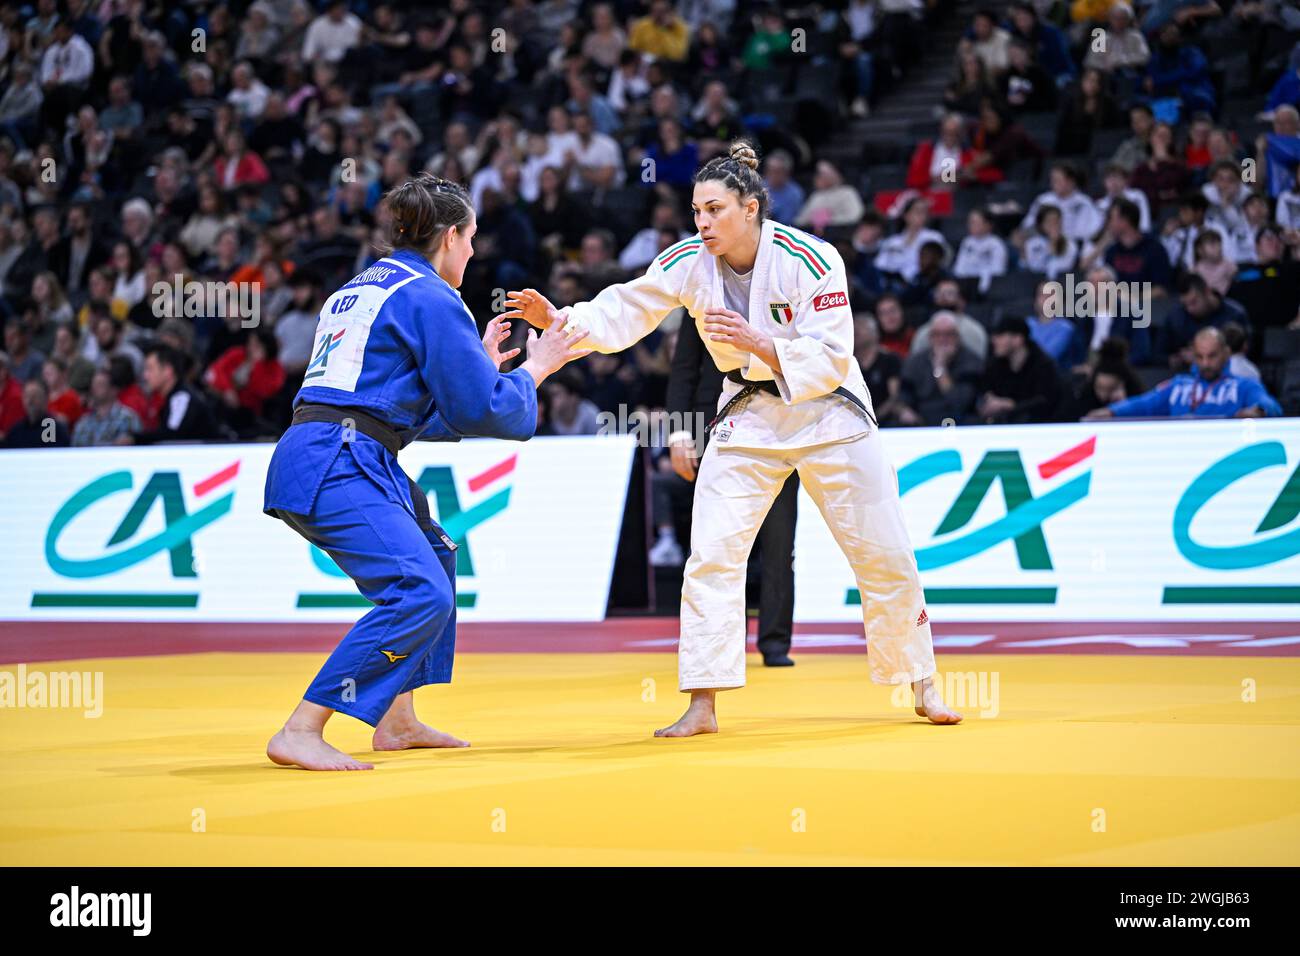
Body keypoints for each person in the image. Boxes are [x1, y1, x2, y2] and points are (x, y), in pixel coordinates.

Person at [504, 141, 962, 737]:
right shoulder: (689, 260)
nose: (703, 223)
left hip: (830, 413)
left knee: (883, 550)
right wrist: (561, 321)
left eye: (715, 210)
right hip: (748, 410)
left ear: (751, 208)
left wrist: (758, 342)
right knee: (712, 554)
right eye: (696, 211)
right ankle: (702, 703)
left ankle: (923, 684)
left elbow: (831, 356)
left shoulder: (813, 257)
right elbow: (625, 308)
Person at [261, 175, 589, 771]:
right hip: (338, 461)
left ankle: (398, 718)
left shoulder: (360, 287)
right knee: (419, 591)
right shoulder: (433, 295)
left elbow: (400, 412)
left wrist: (479, 369)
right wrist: (536, 368)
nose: (472, 252)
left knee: (434, 552)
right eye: (470, 239)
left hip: (337, 448)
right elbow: (485, 412)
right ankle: (302, 727)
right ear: (450, 235)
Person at [665, 305, 799, 668]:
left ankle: (775, 642)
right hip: (718, 424)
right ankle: (718, 647)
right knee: (716, 545)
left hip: (785, 424)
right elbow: (684, 370)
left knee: (779, 543)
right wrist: (679, 433)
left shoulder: (785, 281)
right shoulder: (705, 295)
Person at [1085, 327, 1282, 418]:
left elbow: (1269, 404)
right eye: (1200, 356)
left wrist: (1259, 411)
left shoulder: (1243, 386)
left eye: (1212, 356)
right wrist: (1112, 411)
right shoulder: (1179, 386)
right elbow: (1146, 404)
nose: (1205, 363)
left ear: (1226, 353)